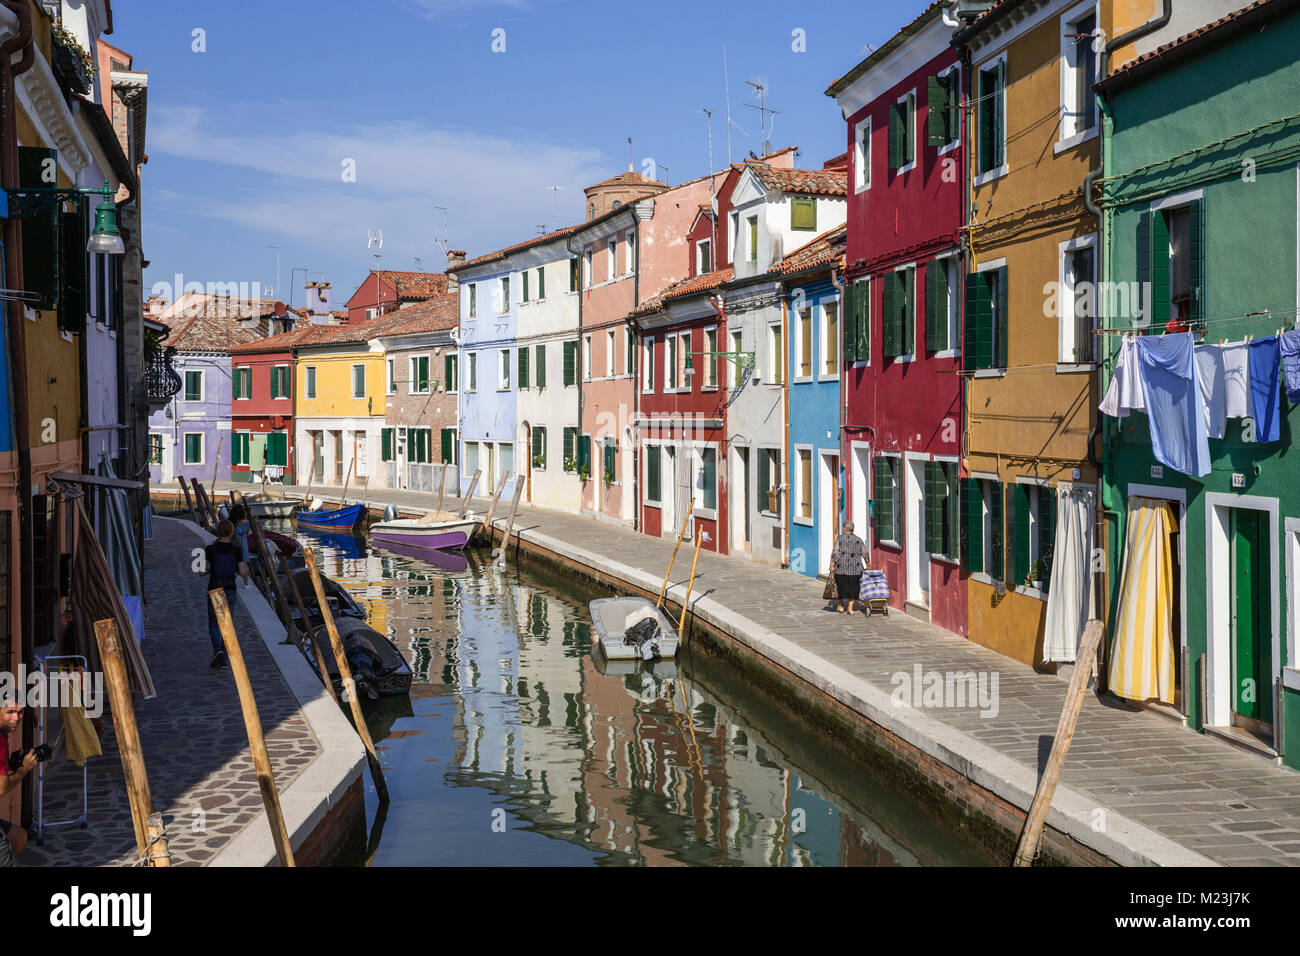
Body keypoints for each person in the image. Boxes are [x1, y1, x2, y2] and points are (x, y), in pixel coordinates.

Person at [205, 520, 251, 669]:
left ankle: (217, 649)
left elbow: (201, 570)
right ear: (231, 532)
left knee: (214, 623)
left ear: (218, 532)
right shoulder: (236, 550)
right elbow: (243, 572)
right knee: (227, 623)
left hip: (215, 587)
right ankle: (224, 657)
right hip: (230, 588)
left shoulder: (210, 549)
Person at [0, 696, 37, 864]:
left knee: (20, 836)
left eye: (20, 712)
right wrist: (24, 769)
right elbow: (2, 788)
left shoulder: (3, 734)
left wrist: (13, 765)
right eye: (10, 712)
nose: (16, 718)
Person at [829, 521, 868, 616]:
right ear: (852, 529)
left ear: (844, 529)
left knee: (840, 587)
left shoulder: (840, 539)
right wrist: (868, 564)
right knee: (854, 588)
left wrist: (831, 565)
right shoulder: (858, 539)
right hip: (855, 569)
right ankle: (850, 608)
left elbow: (835, 552)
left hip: (841, 569)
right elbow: (864, 553)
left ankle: (841, 605)